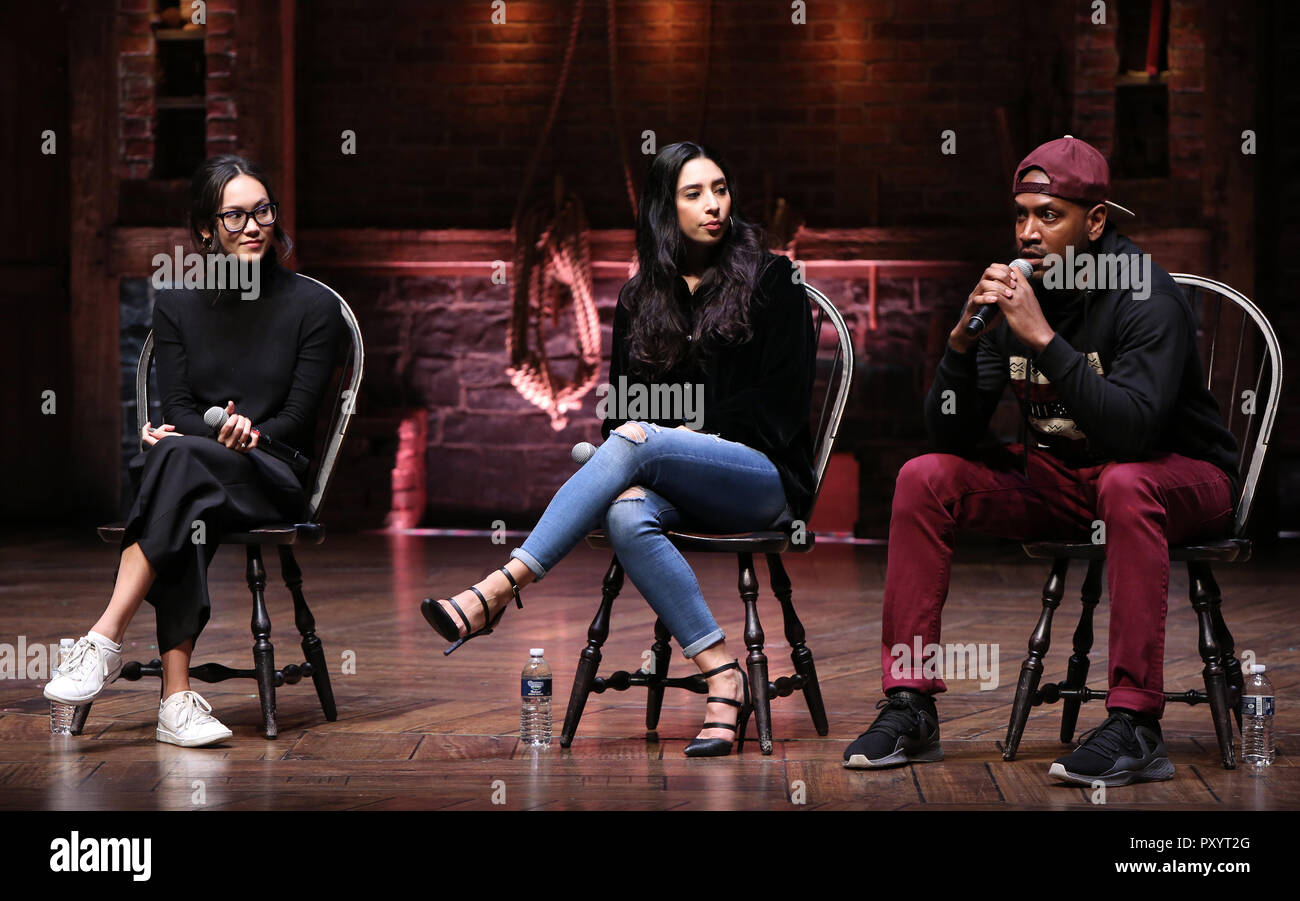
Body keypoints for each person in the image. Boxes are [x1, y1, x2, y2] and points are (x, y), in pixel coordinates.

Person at [843, 136, 1239, 786]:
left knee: (1126, 482)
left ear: (1096, 221)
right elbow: (948, 431)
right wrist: (961, 345)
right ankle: (910, 705)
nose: (1029, 232)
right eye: (1022, 214)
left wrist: (1046, 342)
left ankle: (1136, 723)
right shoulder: (1021, 294)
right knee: (925, 476)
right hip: (1064, 481)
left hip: (1179, 477)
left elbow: (1134, 434)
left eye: (1048, 215)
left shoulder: (1145, 296)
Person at [421, 141, 817, 757]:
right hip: (667, 474)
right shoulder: (641, 297)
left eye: (720, 188)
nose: (714, 205)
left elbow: (782, 409)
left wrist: (670, 437)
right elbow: (621, 412)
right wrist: (650, 441)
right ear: (664, 207)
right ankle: (722, 672)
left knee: (637, 442)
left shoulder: (773, 281)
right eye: (694, 194)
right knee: (626, 511)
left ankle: (499, 590)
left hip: (763, 478)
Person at [43, 155, 344, 747]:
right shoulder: (179, 304)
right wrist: (203, 437)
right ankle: (174, 701)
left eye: (262, 210)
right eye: (234, 216)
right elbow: (178, 406)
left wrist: (243, 434)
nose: (253, 225)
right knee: (183, 475)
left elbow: (299, 416)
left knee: (175, 464)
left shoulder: (313, 306)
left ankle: (104, 640)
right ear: (206, 229)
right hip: (201, 469)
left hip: (272, 472)